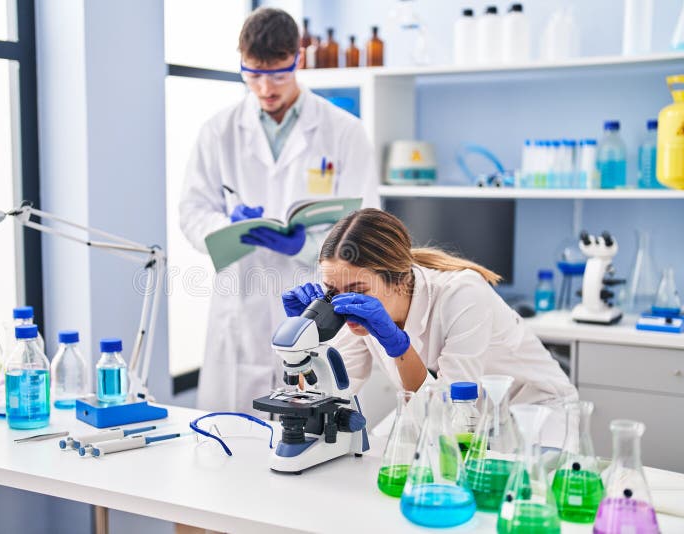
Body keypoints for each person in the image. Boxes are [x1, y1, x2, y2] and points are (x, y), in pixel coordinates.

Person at [179, 8, 379, 412]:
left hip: (316, 300)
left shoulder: (344, 131)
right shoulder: (218, 131)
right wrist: (227, 226)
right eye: (253, 74)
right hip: (241, 304)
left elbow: (366, 227)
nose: (265, 88)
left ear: (298, 59)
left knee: (316, 426)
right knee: (233, 433)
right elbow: (192, 212)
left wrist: (305, 247)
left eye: (278, 75)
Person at [283, 208, 577, 412]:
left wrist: (399, 348)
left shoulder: (463, 294)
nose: (342, 305)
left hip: (531, 414)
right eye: (332, 291)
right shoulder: (356, 309)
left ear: (399, 280)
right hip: (454, 418)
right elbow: (329, 395)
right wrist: (305, 344)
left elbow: (450, 413)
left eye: (357, 290)